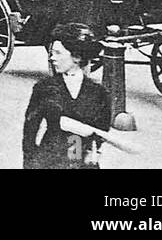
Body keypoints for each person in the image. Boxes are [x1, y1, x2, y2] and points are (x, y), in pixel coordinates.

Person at [22, 22, 111, 169]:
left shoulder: (99, 93)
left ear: (76, 57)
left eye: (58, 53)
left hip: (83, 163)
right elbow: (30, 133)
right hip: (49, 161)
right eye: (52, 52)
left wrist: (92, 153)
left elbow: (101, 131)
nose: (52, 58)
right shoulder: (44, 88)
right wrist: (30, 164)